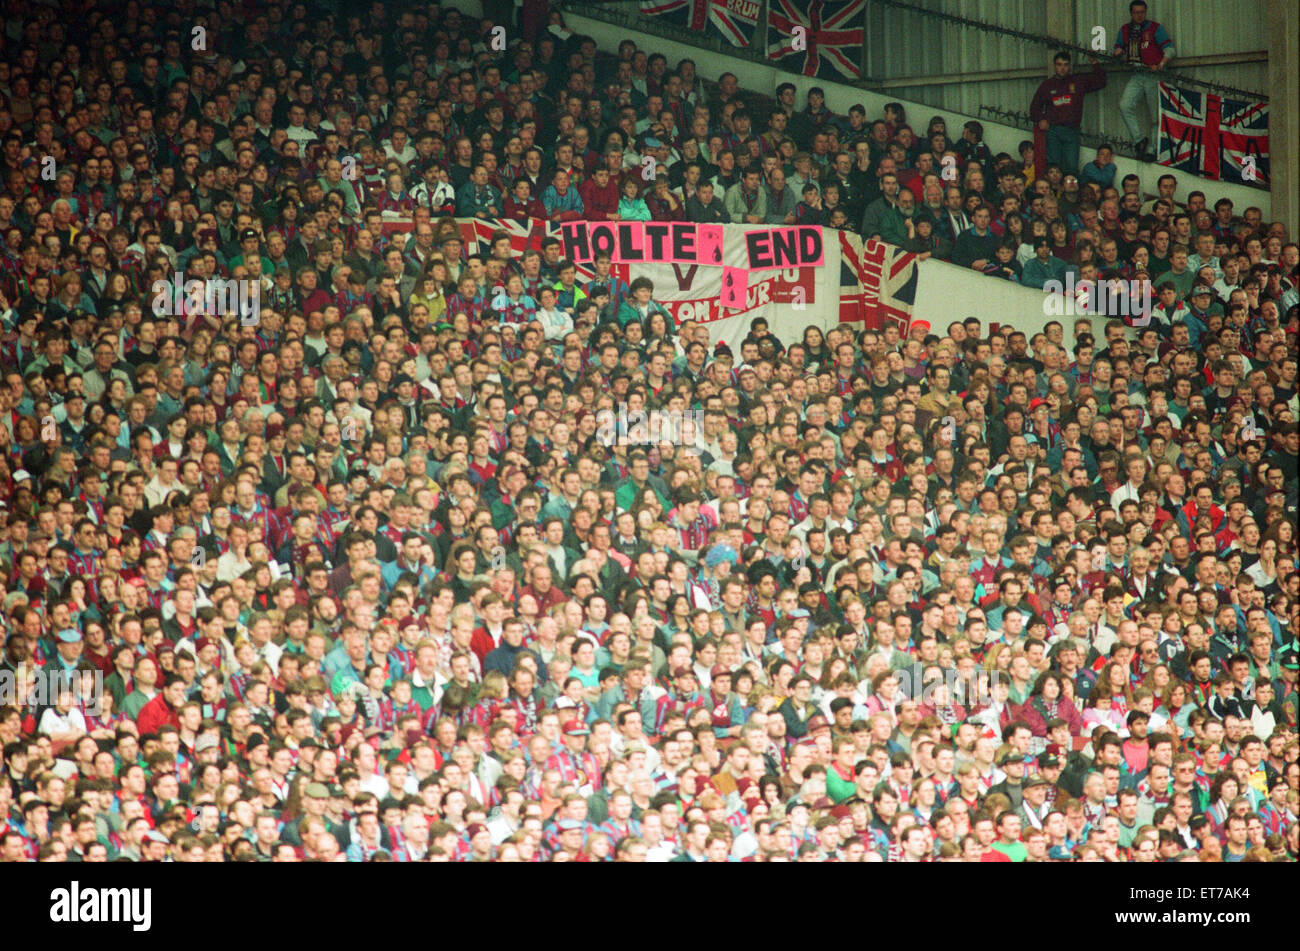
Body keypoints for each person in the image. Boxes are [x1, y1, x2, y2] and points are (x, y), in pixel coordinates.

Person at [1112, 0, 1175, 160]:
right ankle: (1139, 140)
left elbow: (1169, 49)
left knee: (1155, 116)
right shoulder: (1125, 30)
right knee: (1124, 105)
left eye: (1142, 12)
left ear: (1145, 12)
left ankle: (1152, 150)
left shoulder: (1154, 28)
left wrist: (1161, 64)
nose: (1139, 15)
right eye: (1136, 12)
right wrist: (1118, 53)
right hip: (1137, 73)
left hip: (1154, 75)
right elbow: (1117, 49)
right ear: (1131, 13)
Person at [1029, 52, 1107, 176]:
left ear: (1069, 66)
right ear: (1054, 66)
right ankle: (1053, 194)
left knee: (1071, 167)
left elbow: (1101, 81)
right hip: (1053, 131)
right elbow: (1034, 108)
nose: (1062, 68)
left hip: (1072, 131)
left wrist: (1095, 63)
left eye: (1065, 65)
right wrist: (1041, 119)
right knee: (1053, 167)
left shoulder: (1078, 81)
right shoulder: (1047, 85)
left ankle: (1071, 192)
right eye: (1059, 65)